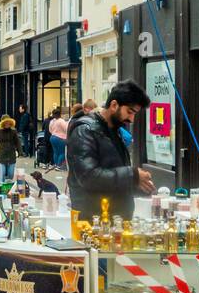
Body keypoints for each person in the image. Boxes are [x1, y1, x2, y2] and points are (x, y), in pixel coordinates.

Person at [66, 80, 154, 223]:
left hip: (114, 221)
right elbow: (88, 177)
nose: (131, 119)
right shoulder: (85, 130)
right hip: (93, 222)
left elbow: (112, 175)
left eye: (134, 114)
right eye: (130, 112)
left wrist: (137, 185)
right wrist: (132, 175)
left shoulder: (113, 132)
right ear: (114, 105)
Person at [0, 116, 22, 184]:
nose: (7, 124)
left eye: (8, 122)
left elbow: (17, 142)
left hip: (11, 154)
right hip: (1, 155)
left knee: (11, 174)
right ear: (2, 123)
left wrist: (20, 151)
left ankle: (8, 189)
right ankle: (1, 190)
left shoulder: (13, 131)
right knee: (2, 174)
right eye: (6, 122)